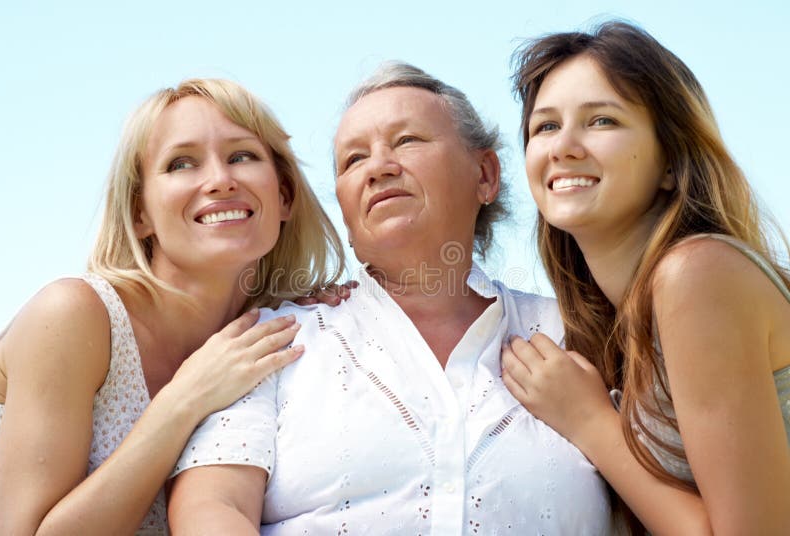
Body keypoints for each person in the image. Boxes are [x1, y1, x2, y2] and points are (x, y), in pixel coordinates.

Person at [167, 62, 615, 535]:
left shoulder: (579, 333)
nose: (379, 168)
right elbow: (211, 507)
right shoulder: (274, 342)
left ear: (485, 175)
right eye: (353, 160)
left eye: (407, 140)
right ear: (344, 209)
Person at [0, 78, 345, 534]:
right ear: (140, 213)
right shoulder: (73, 316)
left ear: (284, 197)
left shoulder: (281, 334)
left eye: (242, 156)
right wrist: (185, 399)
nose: (221, 180)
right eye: (181, 164)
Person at [501, 21, 790, 535]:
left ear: (671, 163)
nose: (563, 147)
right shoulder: (618, 321)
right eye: (545, 127)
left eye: (602, 120)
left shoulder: (697, 274)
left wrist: (591, 422)